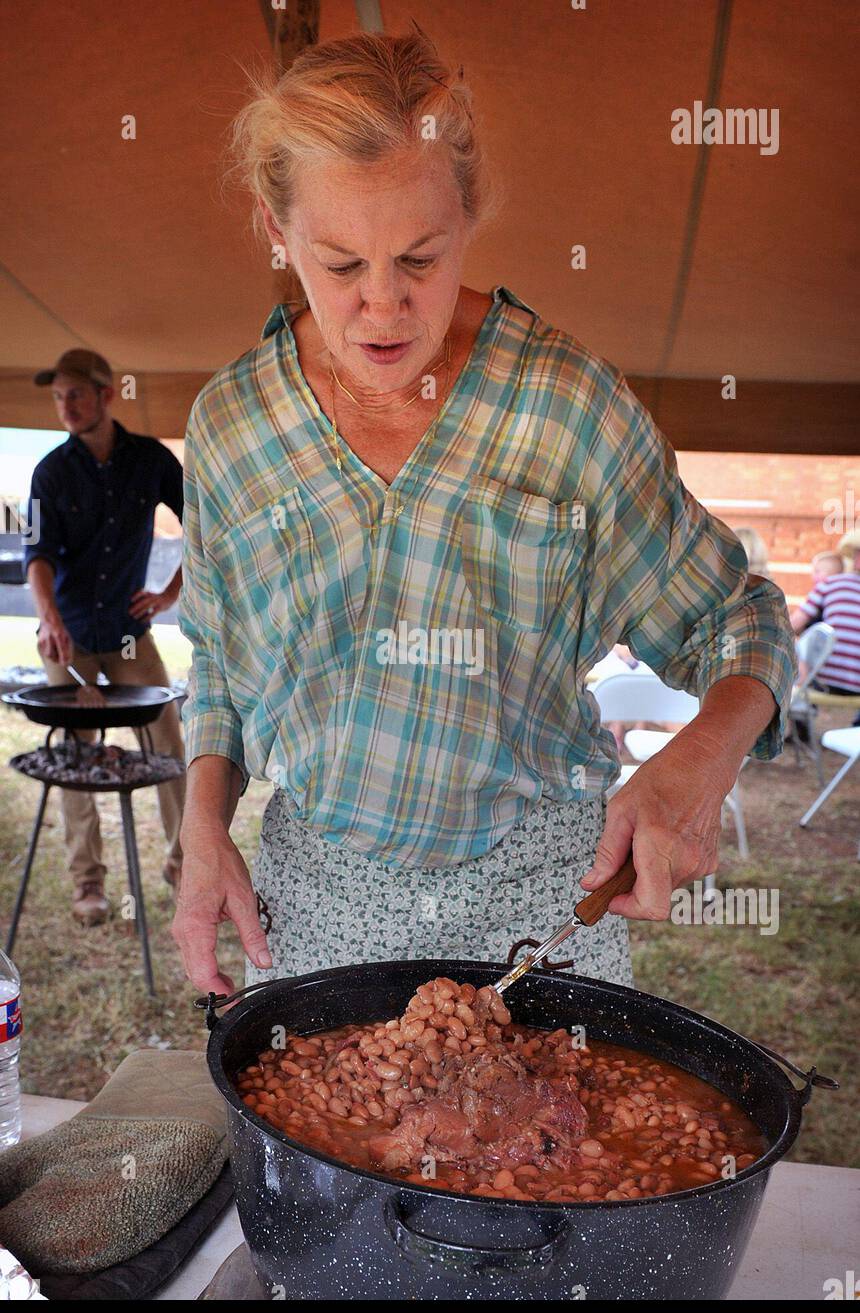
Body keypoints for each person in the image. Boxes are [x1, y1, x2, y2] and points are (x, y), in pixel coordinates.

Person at [171, 30, 795, 998]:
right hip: (316, 924)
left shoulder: (565, 411)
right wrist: (203, 821)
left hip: (539, 924)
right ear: (273, 228)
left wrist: (697, 764)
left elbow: (740, 621)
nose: (383, 307)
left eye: (418, 257)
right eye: (339, 265)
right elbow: (218, 656)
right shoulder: (232, 426)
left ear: (466, 217)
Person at [23, 348, 187, 925]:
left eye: (75, 393)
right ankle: (88, 884)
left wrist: (170, 593)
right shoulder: (49, 471)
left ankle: (183, 864)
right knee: (75, 755)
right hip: (67, 636)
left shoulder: (150, 461)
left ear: (107, 394)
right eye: (57, 396)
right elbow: (36, 555)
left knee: (169, 743)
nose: (65, 405)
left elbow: (209, 525)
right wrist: (48, 618)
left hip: (128, 636)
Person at [791, 529, 860, 719]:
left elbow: (794, 624)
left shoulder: (830, 585)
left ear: (856, 559)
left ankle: (802, 728)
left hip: (823, 683)